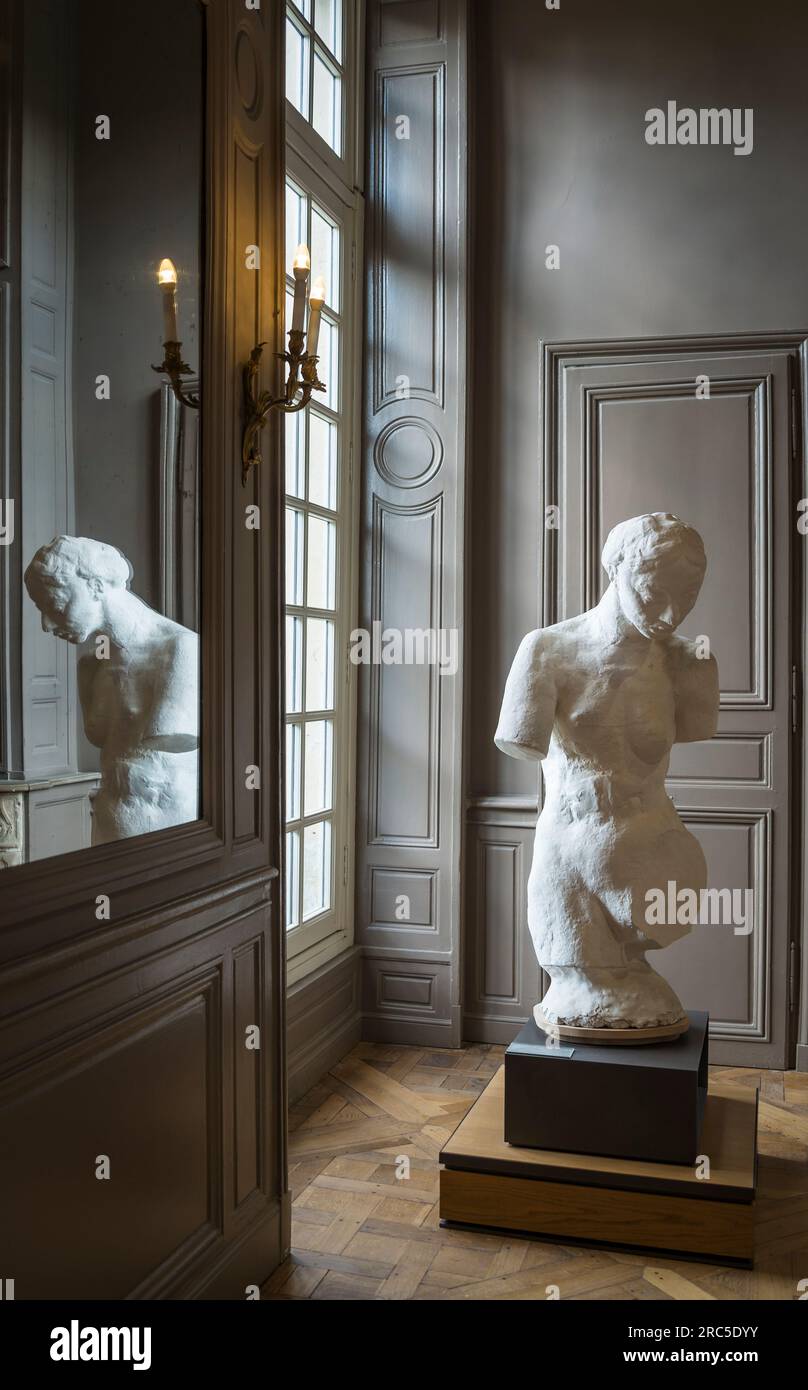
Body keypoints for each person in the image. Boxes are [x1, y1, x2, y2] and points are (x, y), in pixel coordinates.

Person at [495, 512, 719, 1035]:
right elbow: (519, 738)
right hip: (569, 854)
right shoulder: (547, 651)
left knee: (650, 958)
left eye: (687, 597)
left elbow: (693, 728)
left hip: (653, 850)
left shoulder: (691, 664)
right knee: (582, 979)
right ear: (614, 567)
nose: (671, 612)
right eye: (654, 590)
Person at [25, 536, 199, 844]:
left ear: (94, 585)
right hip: (107, 832)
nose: (46, 624)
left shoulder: (179, 651)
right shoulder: (91, 668)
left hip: (164, 837)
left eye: (56, 605)